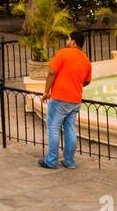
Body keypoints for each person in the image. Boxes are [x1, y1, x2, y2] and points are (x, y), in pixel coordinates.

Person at [39, 30, 92, 170]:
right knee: (70, 129)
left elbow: (51, 72)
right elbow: (86, 81)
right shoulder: (86, 59)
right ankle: (69, 161)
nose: (67, 41)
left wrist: (46, 92)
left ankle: (51, 161)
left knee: (53, 128)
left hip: (59, 98)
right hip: (75, 99)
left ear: (73, 42)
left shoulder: (63, 52)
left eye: (68, 39)